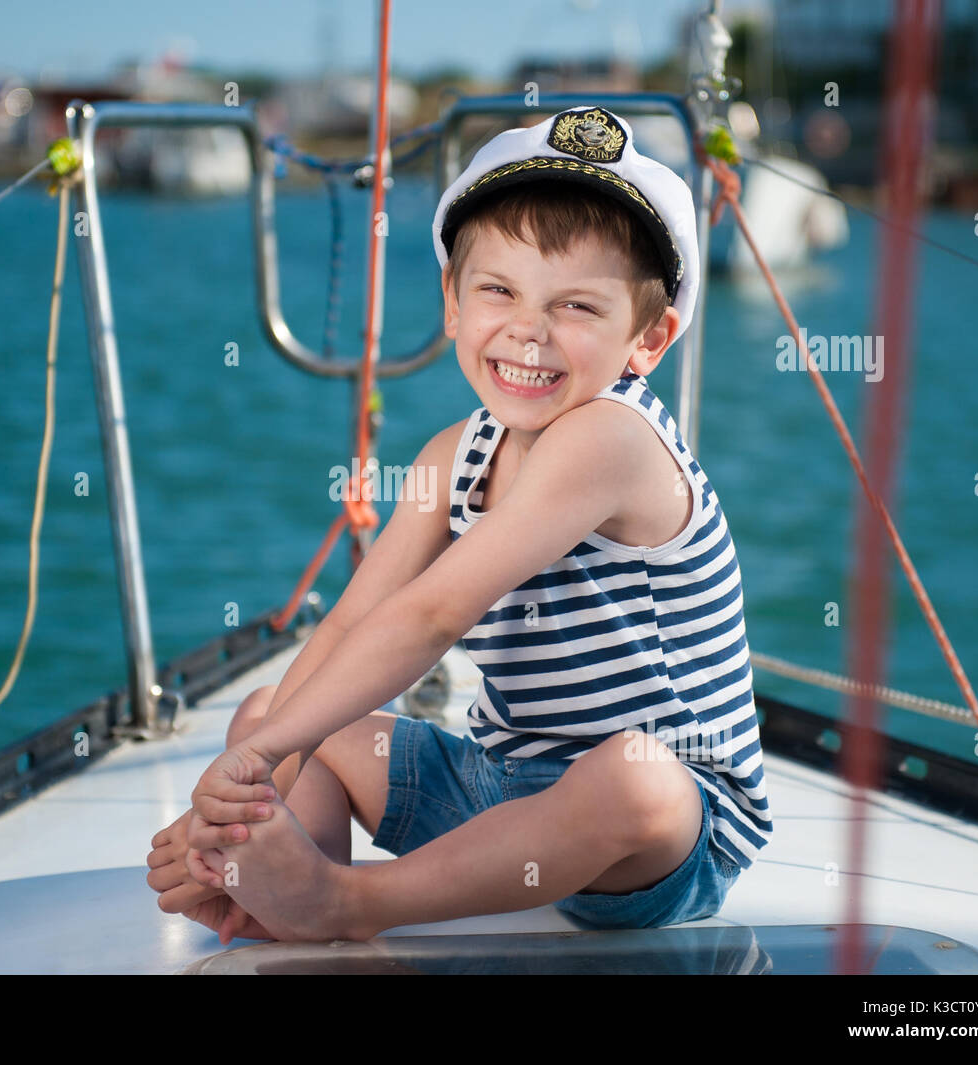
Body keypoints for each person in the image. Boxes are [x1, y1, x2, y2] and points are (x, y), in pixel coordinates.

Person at [146, 105, 772, 944]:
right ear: (451, 301)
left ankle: (349, 901)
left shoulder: (611, 438)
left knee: (635, 778)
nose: (529, 330)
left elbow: (432, 615)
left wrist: (254, 764)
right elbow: (354, 621)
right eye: (499, 289)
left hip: (662, 839)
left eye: (577, 307)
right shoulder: (454, 454)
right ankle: (284, 882)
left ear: (647, 340)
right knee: (272, 709)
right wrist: (233, 800)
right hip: (498, 793)